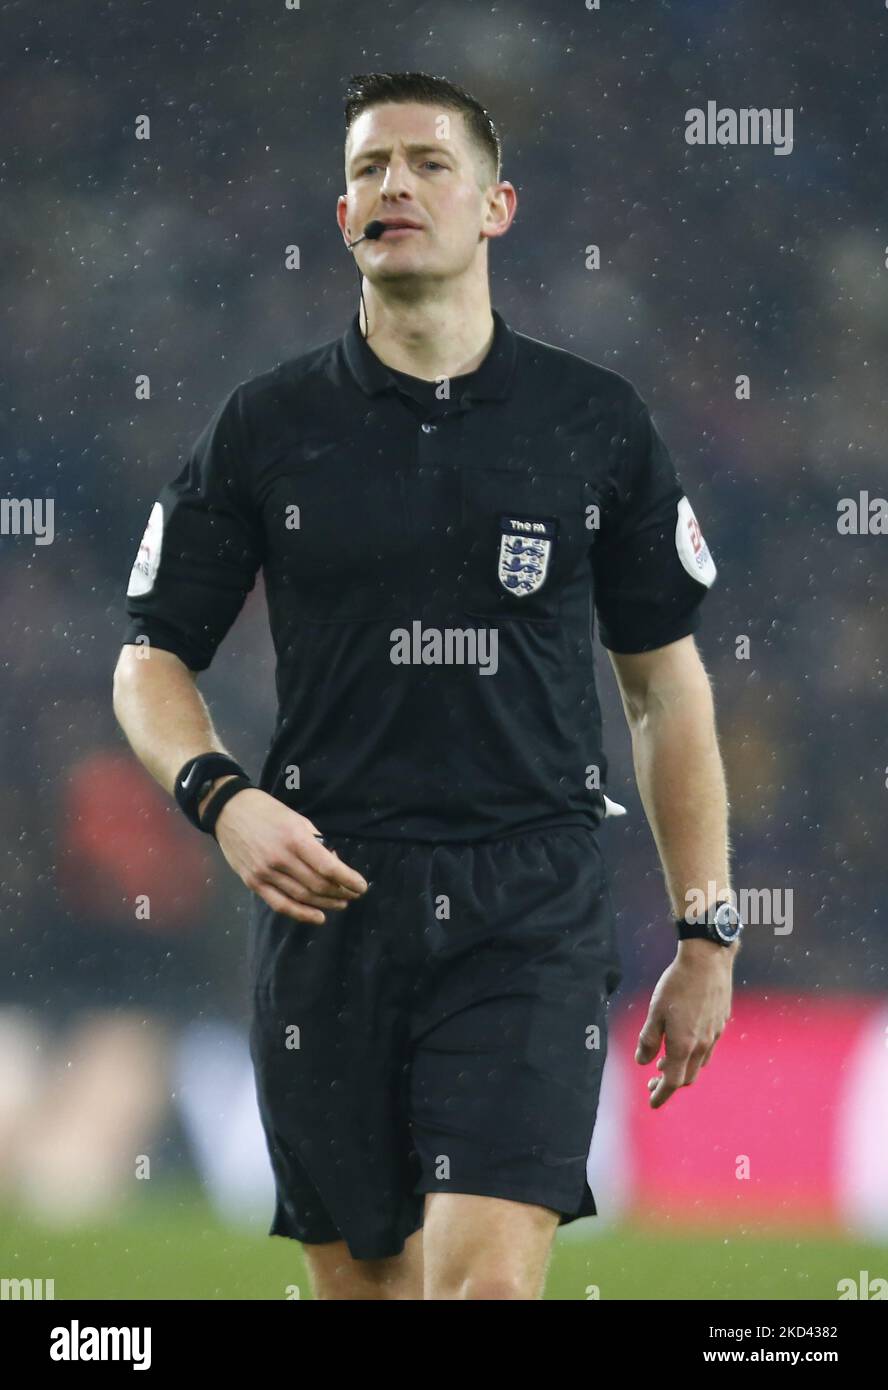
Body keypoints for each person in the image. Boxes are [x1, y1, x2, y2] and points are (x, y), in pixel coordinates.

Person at [113, 70, 741, 1301]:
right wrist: (223, 800)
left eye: (427, 163)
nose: (392, 185)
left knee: (485, 1291)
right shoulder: (266, 427)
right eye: (367, 169)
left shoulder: (594, 422)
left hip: (529, 904)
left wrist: (708, 930)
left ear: (497, 207)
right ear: (342, 216)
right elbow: (149, 658)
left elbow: (667, 691)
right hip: (329, 903)